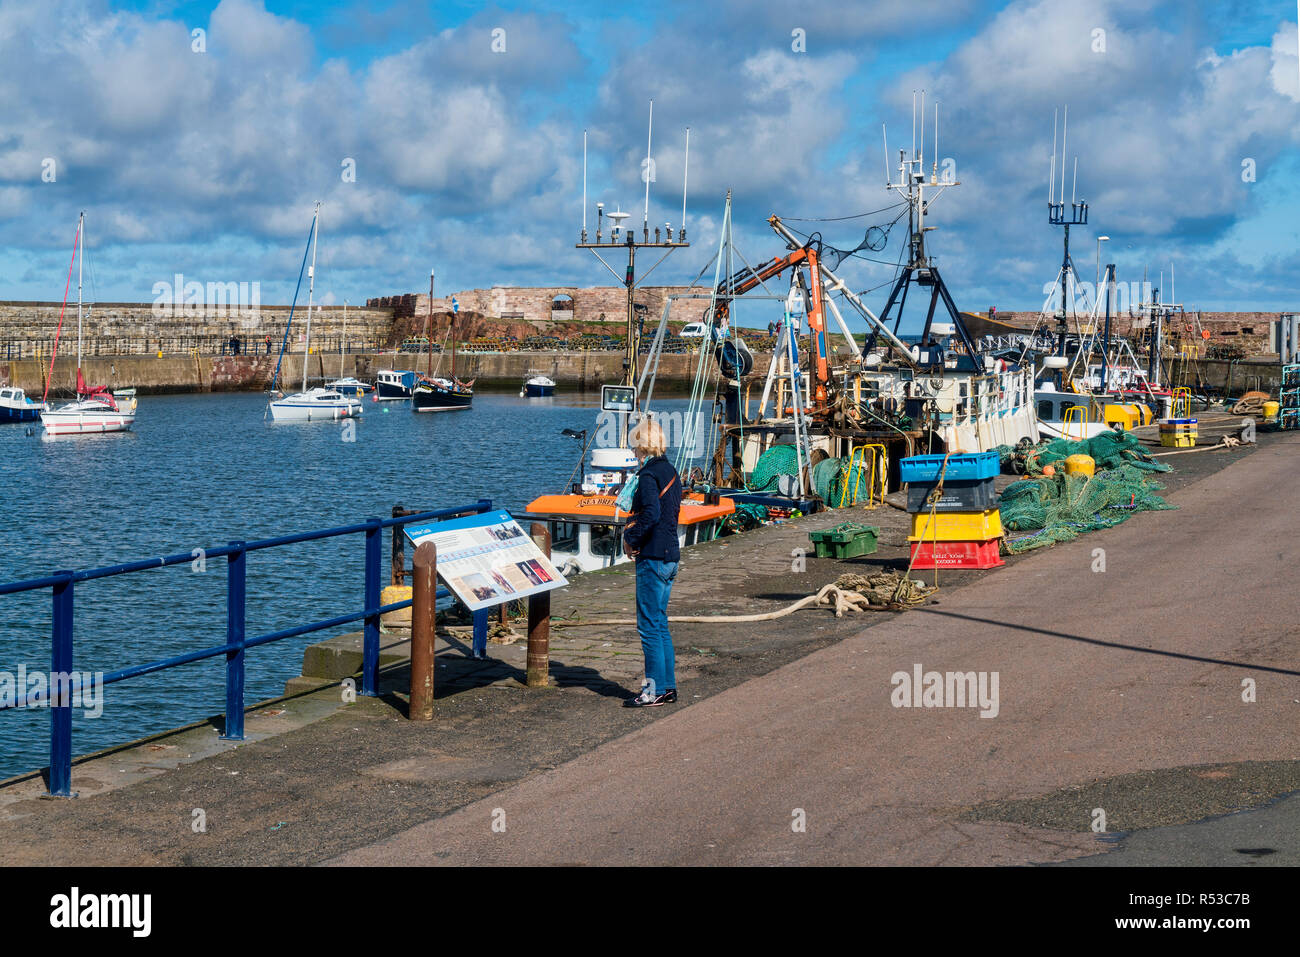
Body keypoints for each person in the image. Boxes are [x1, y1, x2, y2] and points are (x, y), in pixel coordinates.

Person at [622, 416, 682, 708]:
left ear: (643, 447)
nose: (634, 453)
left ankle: (652, 691)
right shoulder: (671, 470)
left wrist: (630, 539)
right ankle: (667, 687)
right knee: (660, 623)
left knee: (648, 626)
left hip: (653, 557)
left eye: (636, 447)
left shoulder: (647, 476)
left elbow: (651, 514)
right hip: (671, 554)